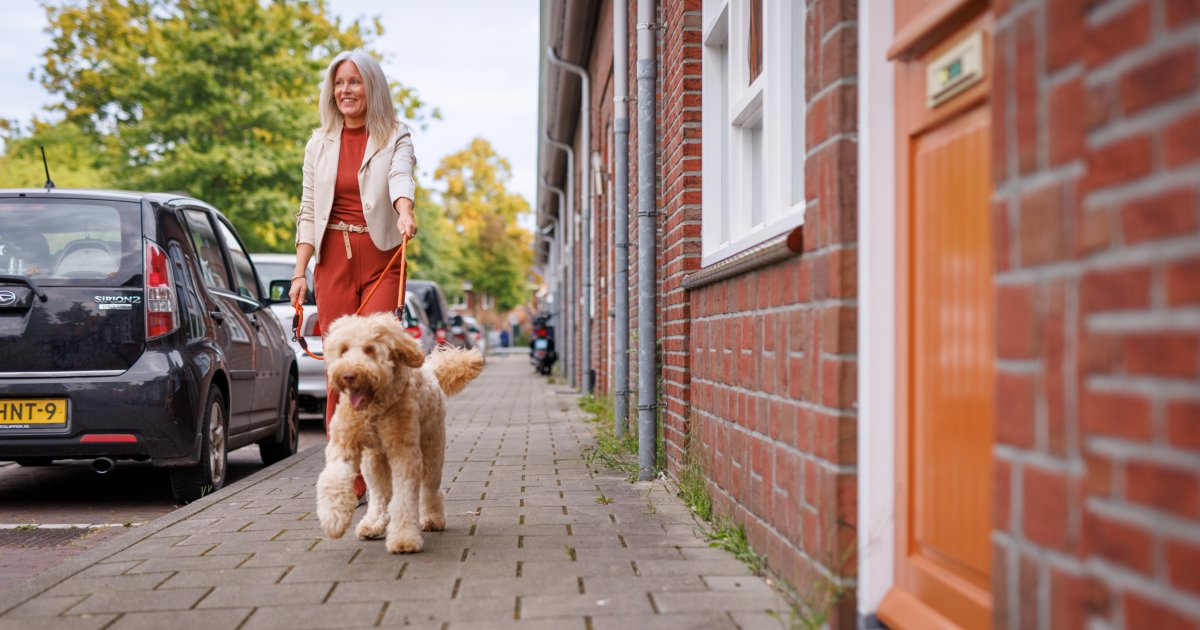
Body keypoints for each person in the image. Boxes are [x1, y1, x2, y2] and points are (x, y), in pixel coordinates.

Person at [289, 49, 419, 498]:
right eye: (339, 82)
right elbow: (308, 209)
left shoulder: (395, 135)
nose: (346, 90)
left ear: (372, 87)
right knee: (341, 367)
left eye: (355, 82)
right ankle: (347, 474)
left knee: (376, 359)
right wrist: (300, 272)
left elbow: (402, 177)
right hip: (332, 260)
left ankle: (389, 460)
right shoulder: (317, 143)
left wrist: (405, 211)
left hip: (381, 253)